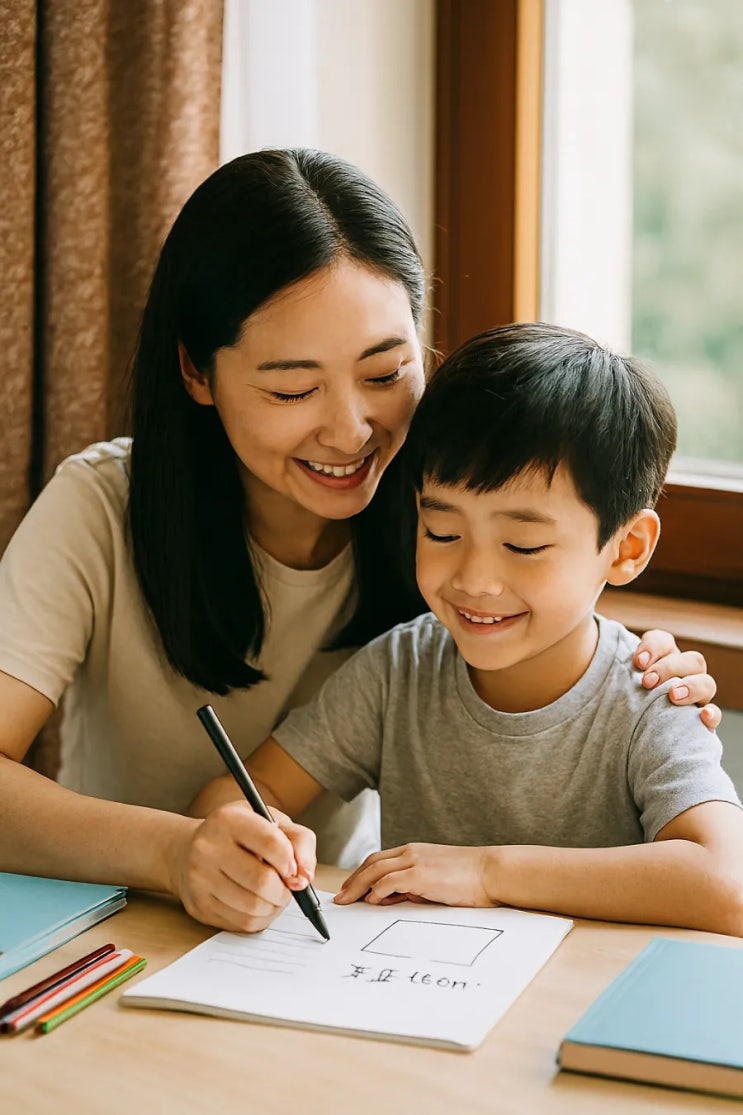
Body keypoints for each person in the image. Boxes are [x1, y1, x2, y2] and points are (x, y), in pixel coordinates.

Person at [0, 150, 720, 928]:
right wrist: (174, 851)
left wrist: (637, 666)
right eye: (292, 388)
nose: (350, 432)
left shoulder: (439, 494)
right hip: (128, 922)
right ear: (197, 371)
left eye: (384, 374)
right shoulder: (103, 505)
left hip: (335, 933)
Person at [228, 322, 743, 937]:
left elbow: (725, 886)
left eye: (523, 545)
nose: (474, 579)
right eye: (442, 533)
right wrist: (256, 834)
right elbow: (244, 789)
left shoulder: (652, 697)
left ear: (626, 547)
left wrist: (487, 874)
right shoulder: (401, 672)